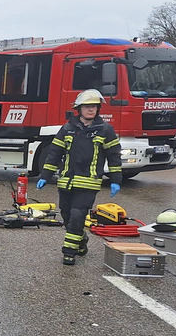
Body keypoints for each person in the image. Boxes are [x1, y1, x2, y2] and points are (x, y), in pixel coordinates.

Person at [35, 89, 122, 265]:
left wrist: (116, 180)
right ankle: (81, 240)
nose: (91, 109)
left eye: (94, 107)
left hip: (89, 184)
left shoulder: (105, 130)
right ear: (79, 109)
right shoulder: (67, 129)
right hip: (66, 182)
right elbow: (54, 153)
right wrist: (45, 175)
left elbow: (114, 156)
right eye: (87, 106)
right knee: (68, 217)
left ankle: (69, 252)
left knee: (77, 215)